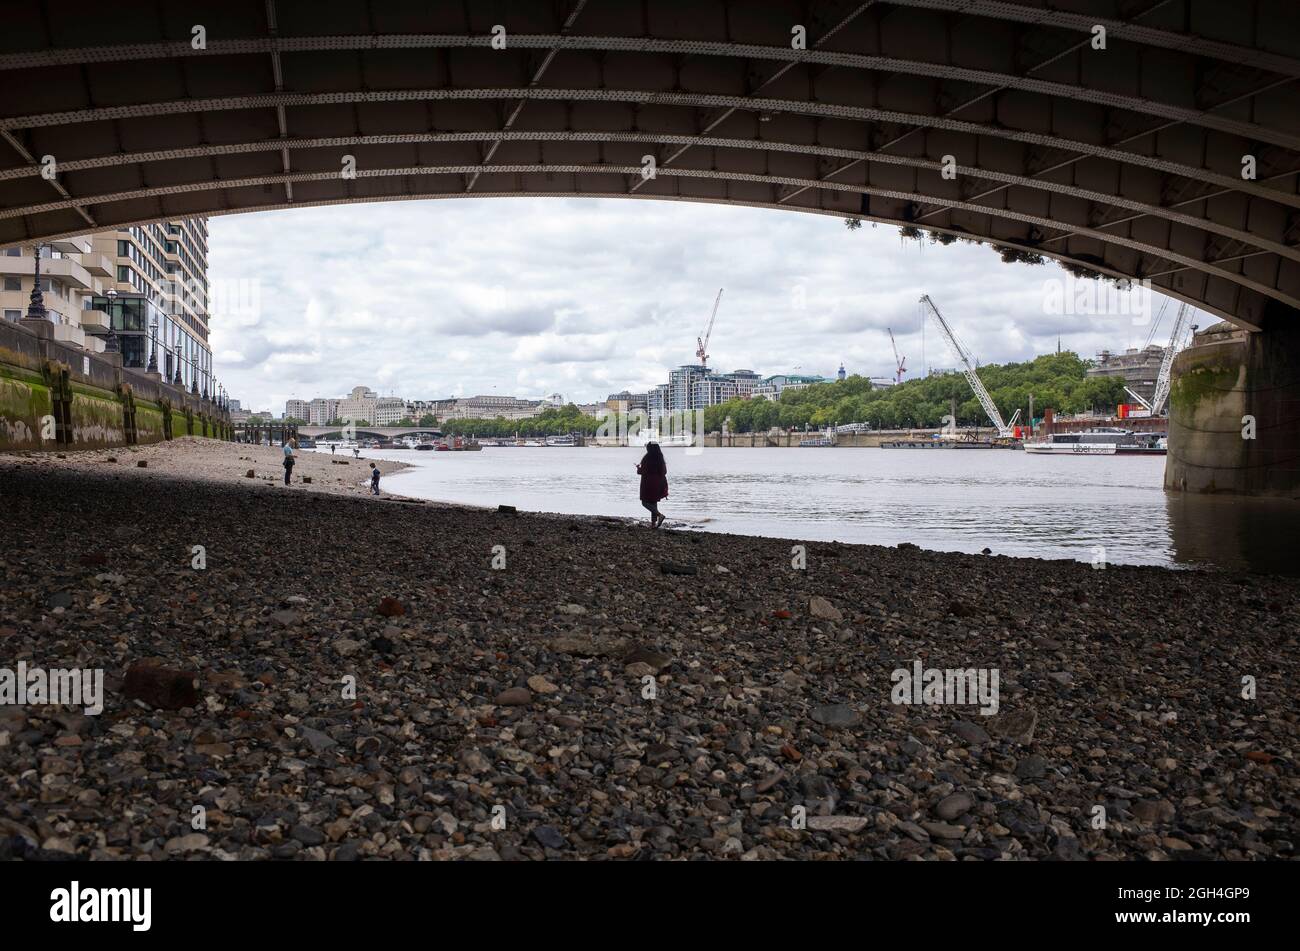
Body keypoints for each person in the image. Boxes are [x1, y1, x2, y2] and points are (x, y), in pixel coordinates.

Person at [636, 442, 668, 528]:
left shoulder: (647, 458)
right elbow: (664, 471)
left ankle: (659, 515)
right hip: (659, 483)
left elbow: (642, 471)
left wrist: (638, 468)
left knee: (645, 502)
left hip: (648, 483)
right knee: (653, 502)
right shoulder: (660, 458)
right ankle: (653, 524)